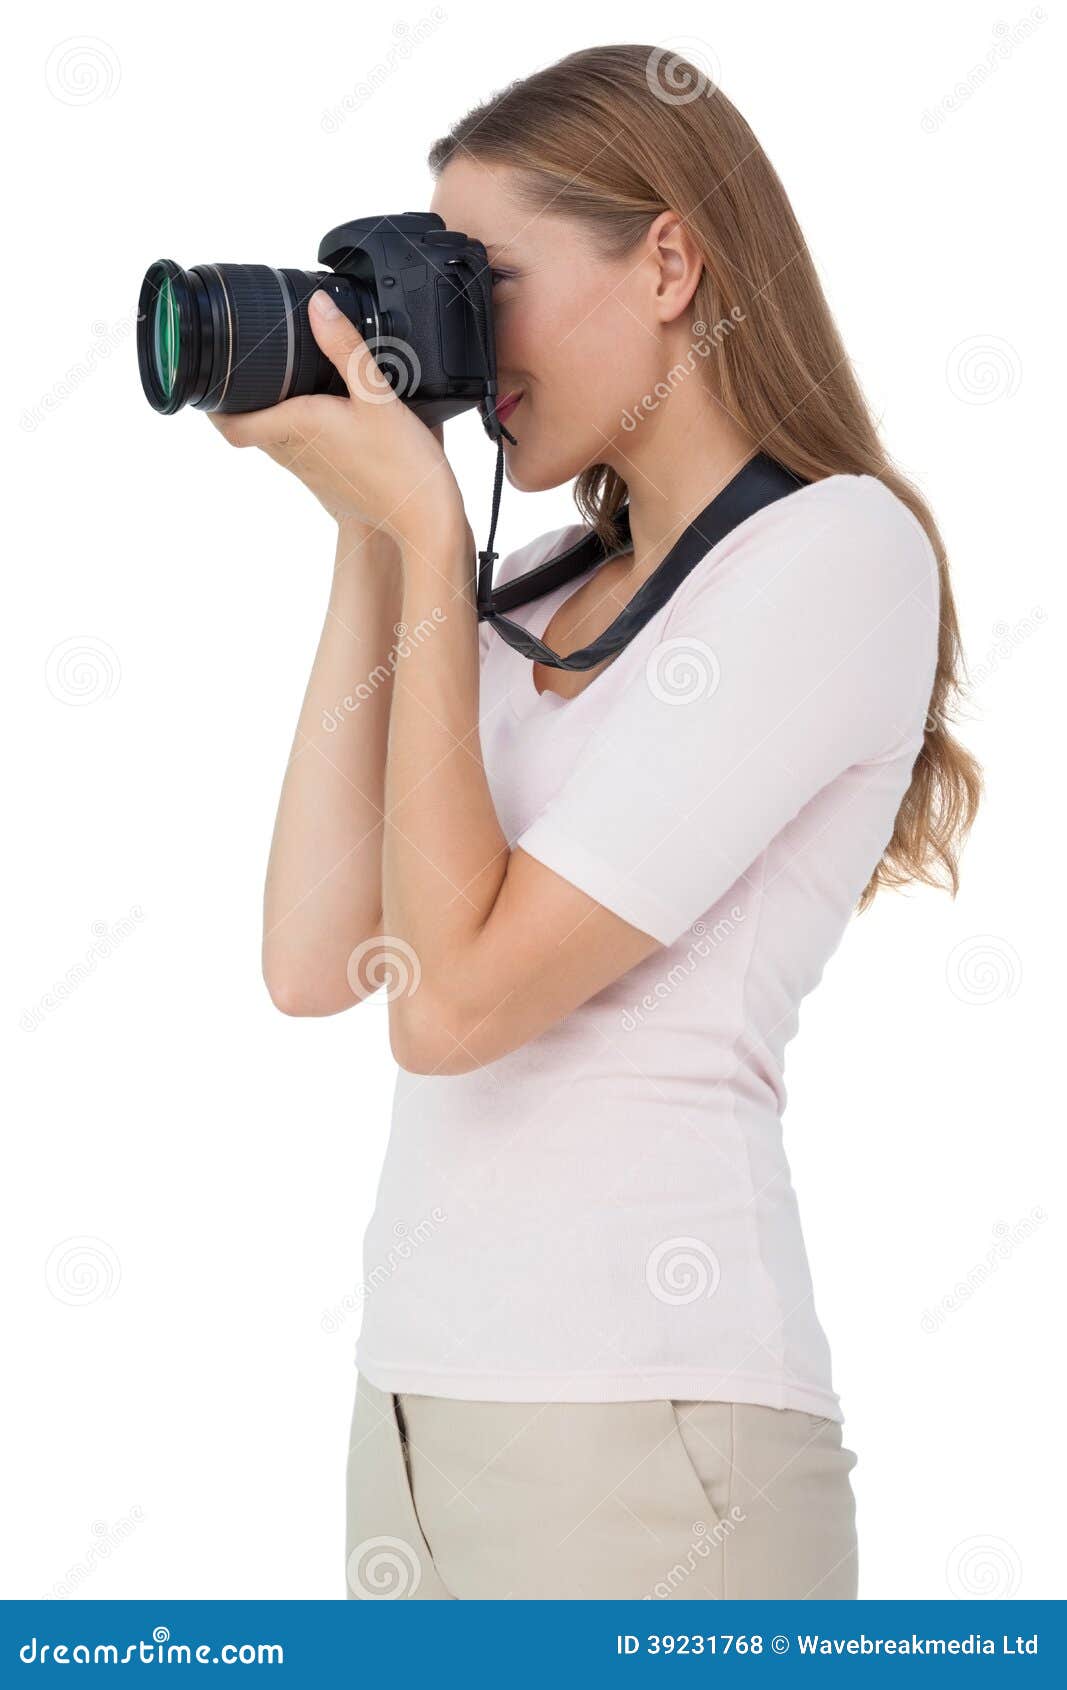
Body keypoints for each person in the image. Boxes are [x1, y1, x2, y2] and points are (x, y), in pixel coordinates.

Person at [210, 44, 981, 1600]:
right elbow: (312, 959)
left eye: (484, 280)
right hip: (412, 1413)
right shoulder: (528, 583)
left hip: (652, 1431)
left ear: (672, 264)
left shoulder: (836, 557)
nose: (462, 338)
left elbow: (456, 1008)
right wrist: (381, 519)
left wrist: (427, 535)